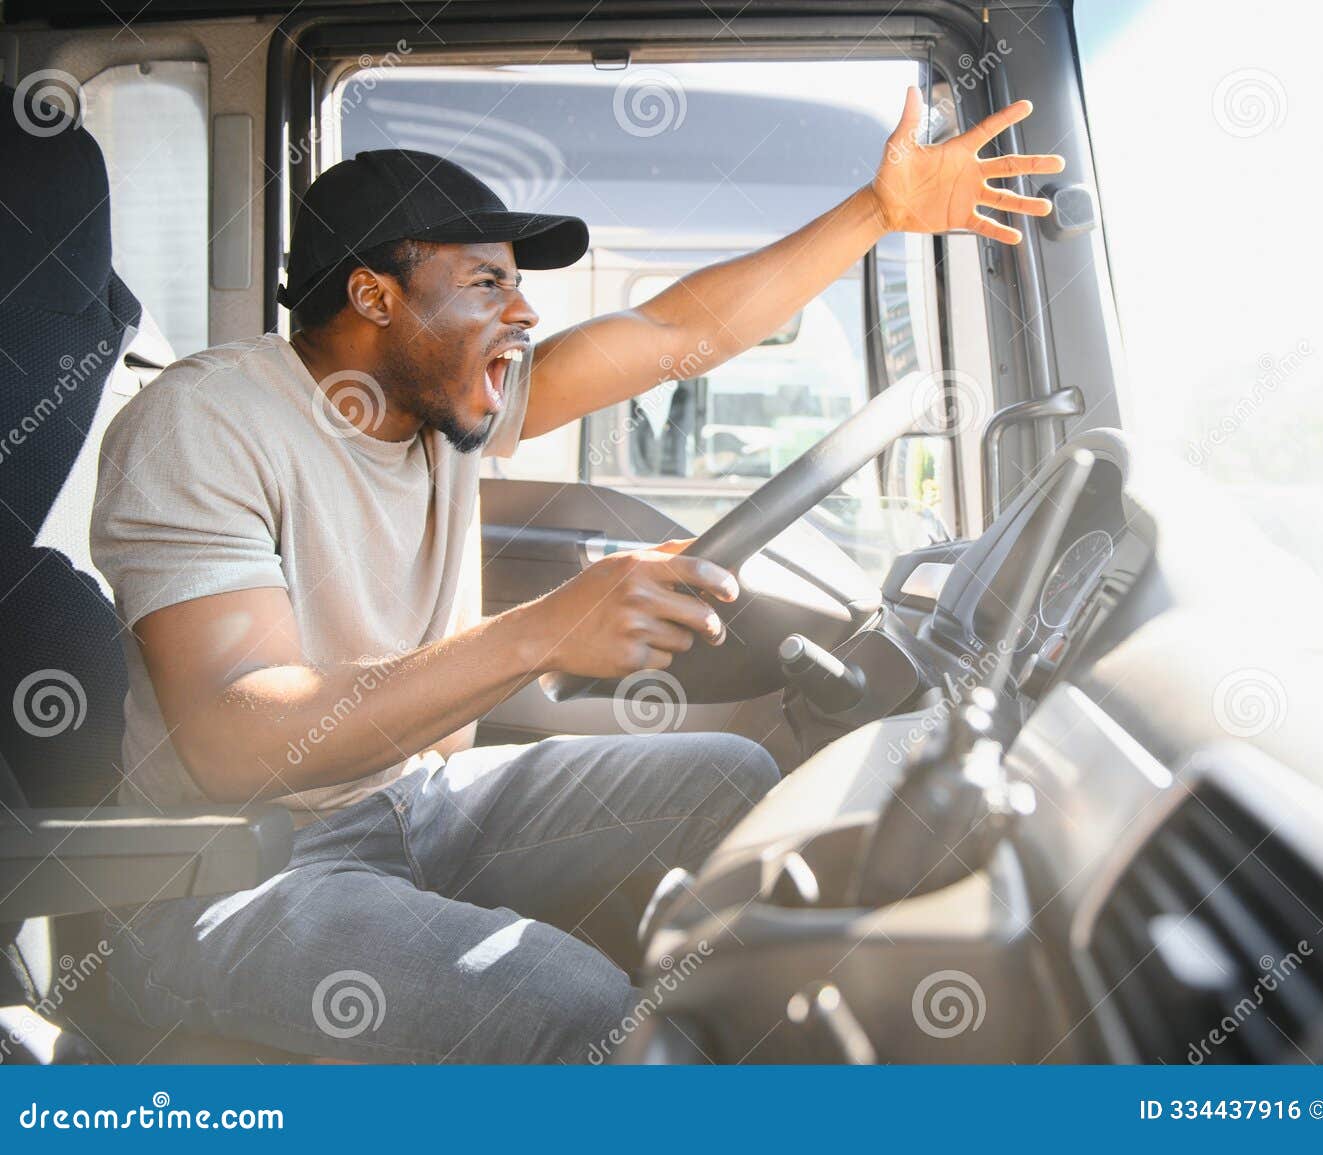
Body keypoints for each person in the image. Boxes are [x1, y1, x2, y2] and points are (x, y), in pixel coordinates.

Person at [90, 89, 1063, 1062]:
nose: (522, 313)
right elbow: (234, 739)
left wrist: (880, 212)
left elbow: (679, 332)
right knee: (584, 1015)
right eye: (485, 284)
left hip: (406, 803)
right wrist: (545, 632)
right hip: (221, 869)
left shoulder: (443, 401)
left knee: (734, 784)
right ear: (375, 297)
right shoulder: (207, 424)